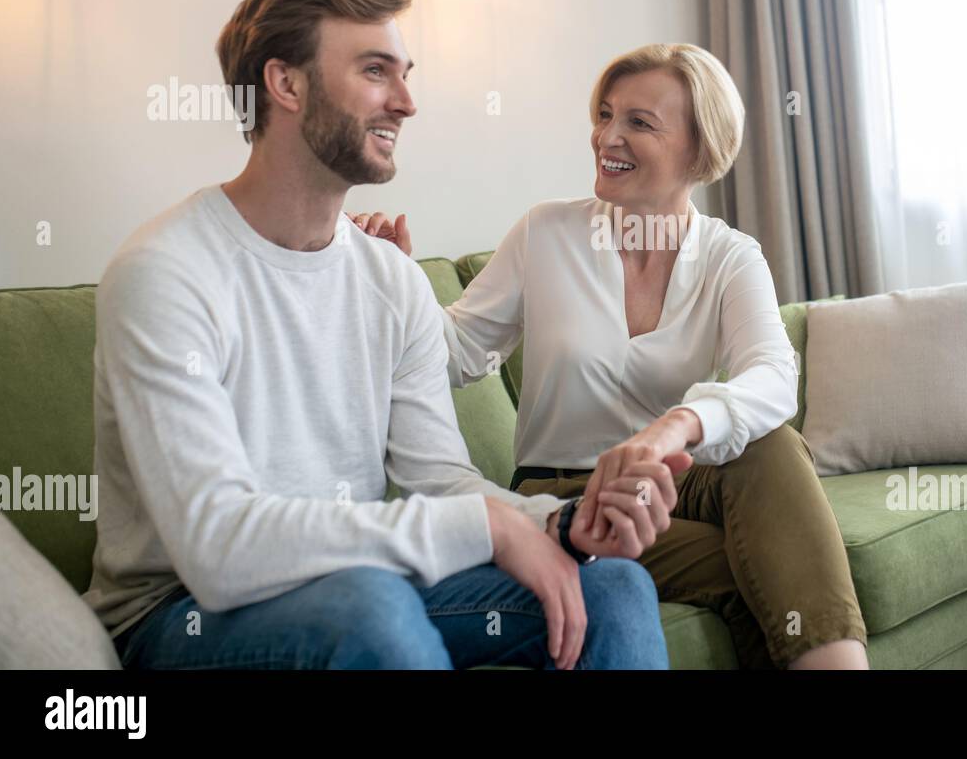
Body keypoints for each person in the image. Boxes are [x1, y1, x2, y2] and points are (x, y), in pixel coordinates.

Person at [83, 0, 672, 670]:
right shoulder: (166, 270)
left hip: (353, 589)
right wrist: (479, 527)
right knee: (368, 607)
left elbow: (441, 481)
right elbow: (217, 550)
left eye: (405, 74)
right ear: (286, 84)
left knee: (613, 586)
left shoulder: (390, 279)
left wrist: (561, 522)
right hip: (180, 617)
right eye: (375, 72)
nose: (406, 102)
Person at [350, 43, 869, 669]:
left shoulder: (730, 255)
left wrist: (675, 425)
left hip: (674, 480)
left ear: (699, 151)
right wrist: (396, 281)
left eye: (638, 123)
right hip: (567, 491)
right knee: (763, 572)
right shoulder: (546, 233)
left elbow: (775, 376)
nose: (606, 137)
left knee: (772, 444)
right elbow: (455, 356)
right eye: (604, 114)